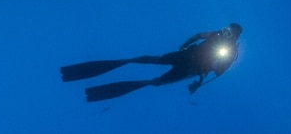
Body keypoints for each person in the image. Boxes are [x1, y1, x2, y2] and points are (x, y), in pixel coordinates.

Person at [59, 23, 242, 102]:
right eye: (226, 30)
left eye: (229, 33)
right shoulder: (215, 34)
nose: (225, 33)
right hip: (185, 56)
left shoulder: (230, 53)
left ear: (234, 38)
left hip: (191, 69)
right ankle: (127, 61)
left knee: (157, 82)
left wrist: (220, 62)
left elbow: (218, 72)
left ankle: (104, 89)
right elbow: (198, 35)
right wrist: (184, 45)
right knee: (157, 59)